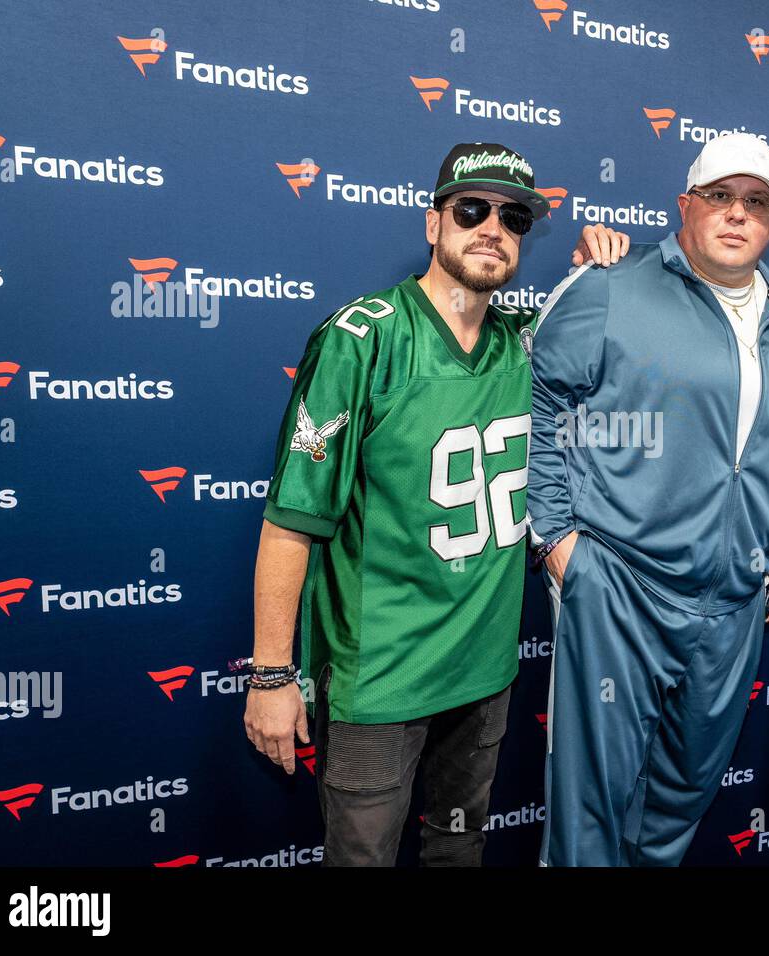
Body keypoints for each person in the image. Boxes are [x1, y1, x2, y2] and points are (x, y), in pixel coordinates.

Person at [243, 141, 627, 866]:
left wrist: (600, 273)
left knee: (459, 850)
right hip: (378, 681)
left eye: (513, 217)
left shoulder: (527, 344)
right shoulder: (364, 339)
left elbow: (621, 357)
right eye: (472, 210)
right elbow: (292, 521)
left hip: (483, 675)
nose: (493, 228)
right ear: (433, 224)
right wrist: (271, 675)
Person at [527, 133, 769, 866]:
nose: (736, 214)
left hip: (735, 600)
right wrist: (557, 537)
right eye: (719, 196)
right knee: (591, 802)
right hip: (622, 584)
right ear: (685, 206)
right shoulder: (612, 285)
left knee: (685, 790)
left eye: (755, 202)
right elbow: (537, 402)